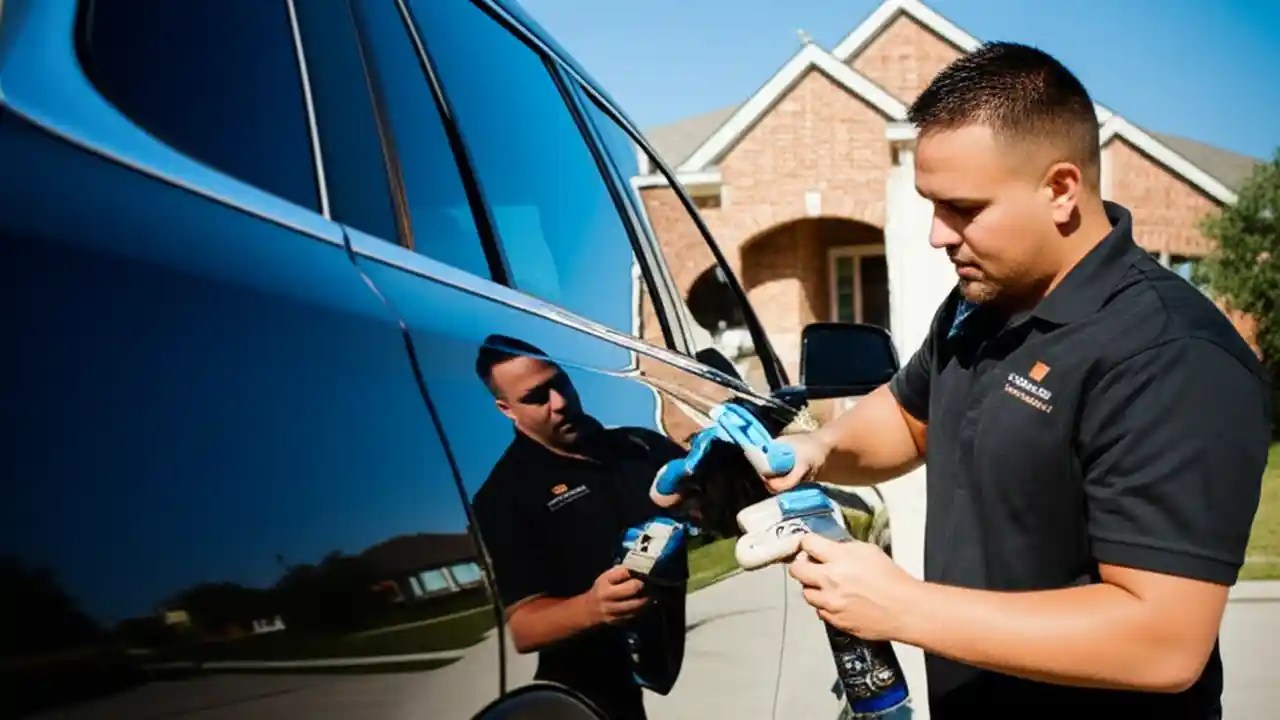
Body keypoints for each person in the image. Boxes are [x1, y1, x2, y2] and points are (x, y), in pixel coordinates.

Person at [769, 42, 1272, 718]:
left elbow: (1164, 643)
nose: (936, 236)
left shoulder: (1170, 355)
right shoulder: (981, 304)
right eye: (930, 204)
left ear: (1060, 190)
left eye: (962, 208)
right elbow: (910, 416)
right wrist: (817, 450)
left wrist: (903, 606)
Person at [469, 334, 688, 720]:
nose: (560, 403)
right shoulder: (502, 495)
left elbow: (709, 501)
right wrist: (593, 607)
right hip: (585, 696)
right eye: (537, 397)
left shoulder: (638, 445)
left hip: (667, 660)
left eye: (560, 382)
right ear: (506, 409)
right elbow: (524, 628)